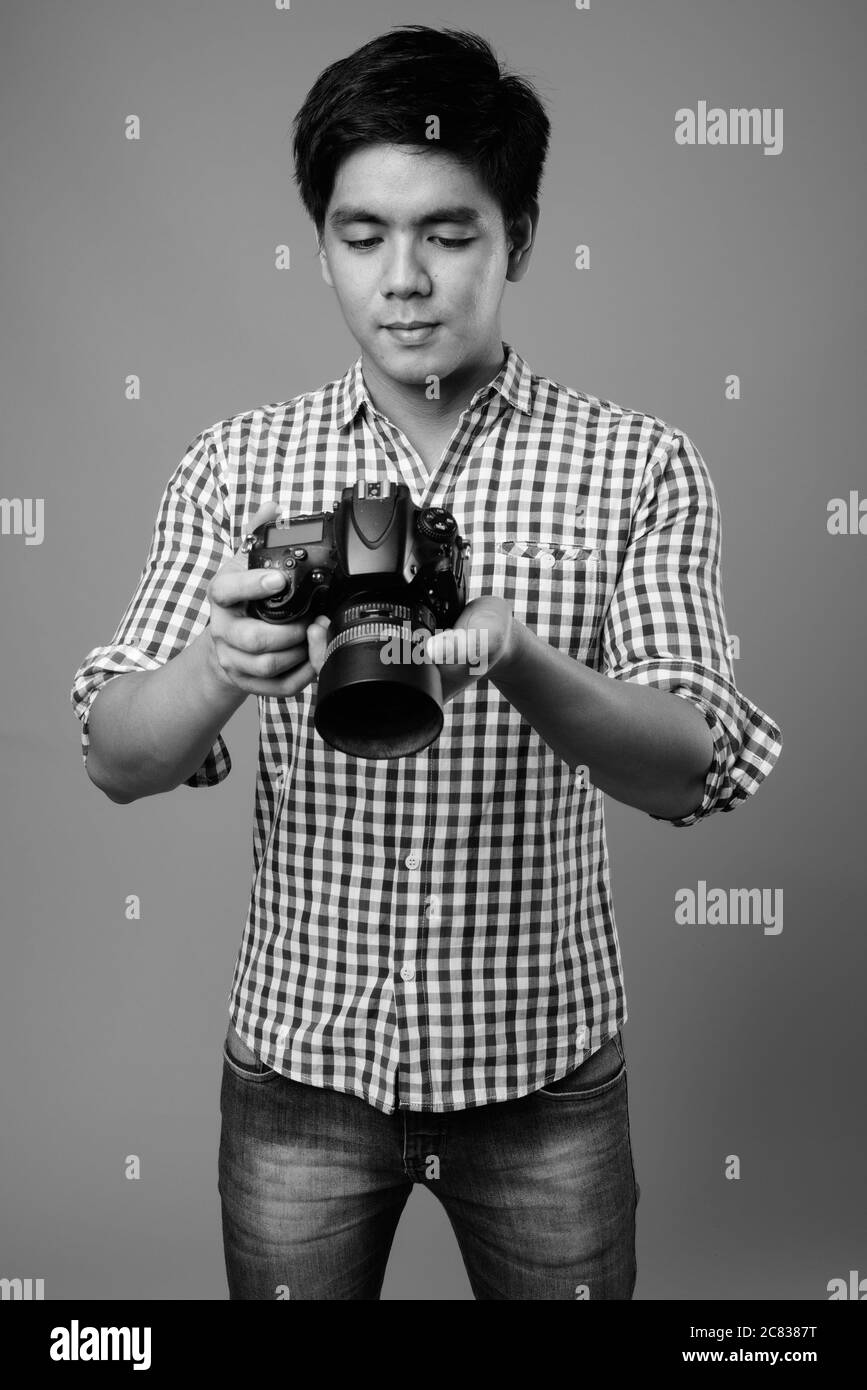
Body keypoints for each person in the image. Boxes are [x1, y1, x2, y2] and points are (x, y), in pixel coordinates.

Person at [70, 25, 782, 1300]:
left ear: (519, 237)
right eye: (362, 235)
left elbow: (694, 767)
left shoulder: (640, 464)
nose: (404, 279)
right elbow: (116, 756)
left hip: (543, 1078)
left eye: (449, 234)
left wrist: (517, 657)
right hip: (300, 1071)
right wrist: (223, 664)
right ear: (322, 246)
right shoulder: (241, 467)